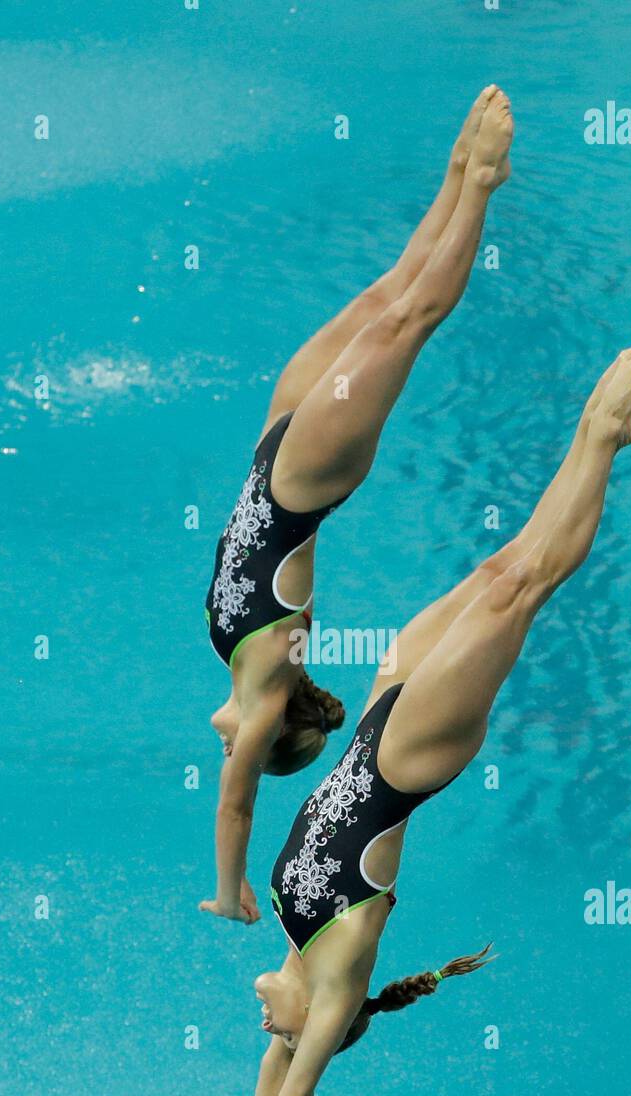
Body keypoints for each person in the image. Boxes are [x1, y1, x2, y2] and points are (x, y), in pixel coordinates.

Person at [216, 340, 631, 1096]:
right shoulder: (334, 977)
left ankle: (599, 435)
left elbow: (271, 1090)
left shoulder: (297, 951)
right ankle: (604, 435)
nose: (263, 1030)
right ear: (317, 1029)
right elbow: (300, 1092)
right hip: (408, 760)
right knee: (519, 589)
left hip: (379, 718)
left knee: (497, 573)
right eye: (281, 1037)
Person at [200, 87, 515, 924]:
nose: (227, 751)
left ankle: (455, 174)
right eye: (252, 755)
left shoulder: (233, 657)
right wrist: (231, 894)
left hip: (273, 450)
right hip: (304, 481)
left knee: (385, 299)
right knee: (411, 318)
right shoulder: (267, 687)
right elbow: (235, 810)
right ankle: (481, 183)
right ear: (271, 738)